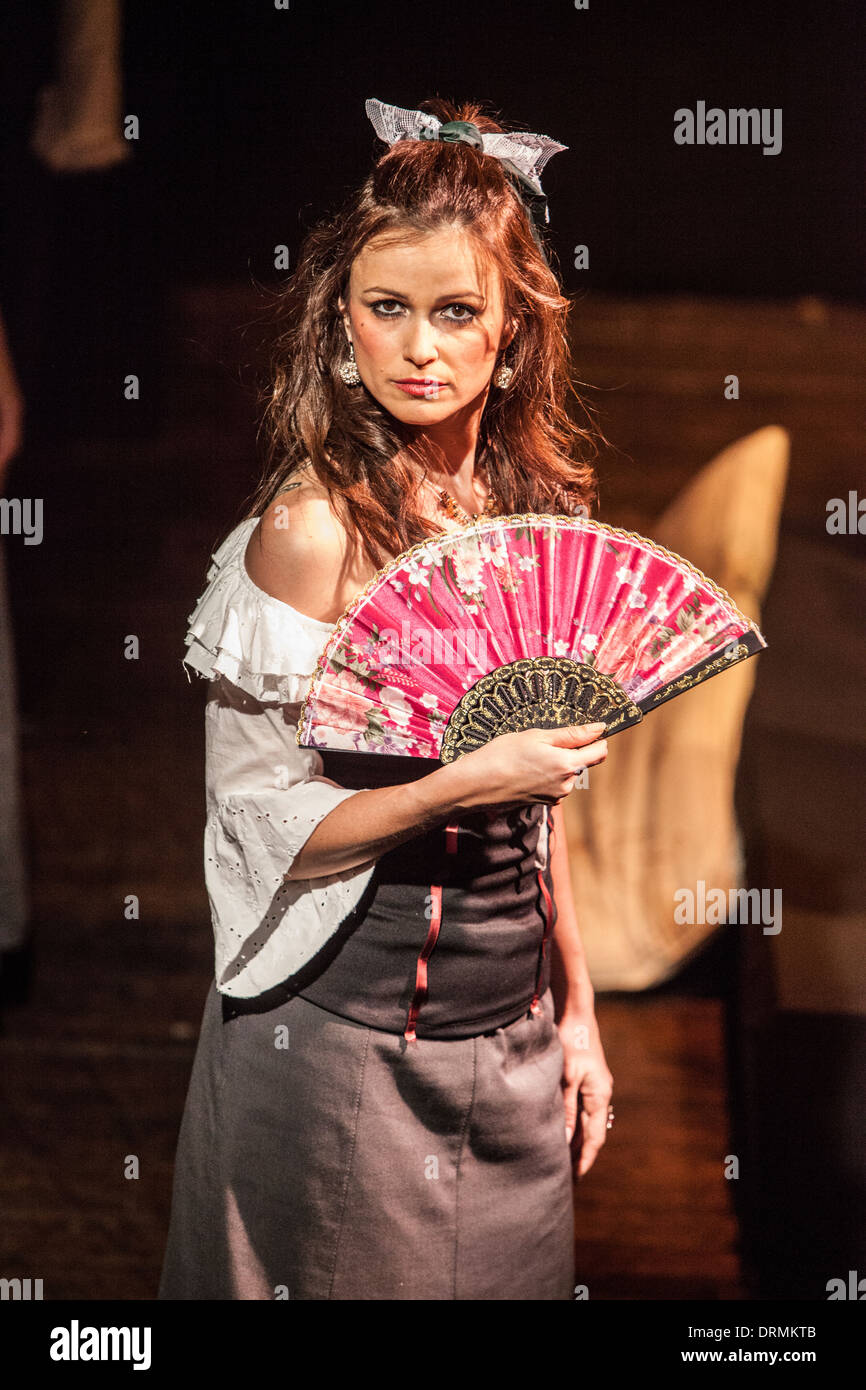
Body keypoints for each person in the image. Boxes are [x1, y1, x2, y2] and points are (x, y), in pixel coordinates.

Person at [158, 96, 613, 1302]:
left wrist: (578, 1008)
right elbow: (253, 833)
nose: (419, 346)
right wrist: (466, 779)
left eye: (456, 312)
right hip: (335, 1049)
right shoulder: (308, 534)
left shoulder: (540, 515)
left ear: (511, 335)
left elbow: (542, 808)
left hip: (510, 1045)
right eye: (387, 307)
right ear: (342, 323)